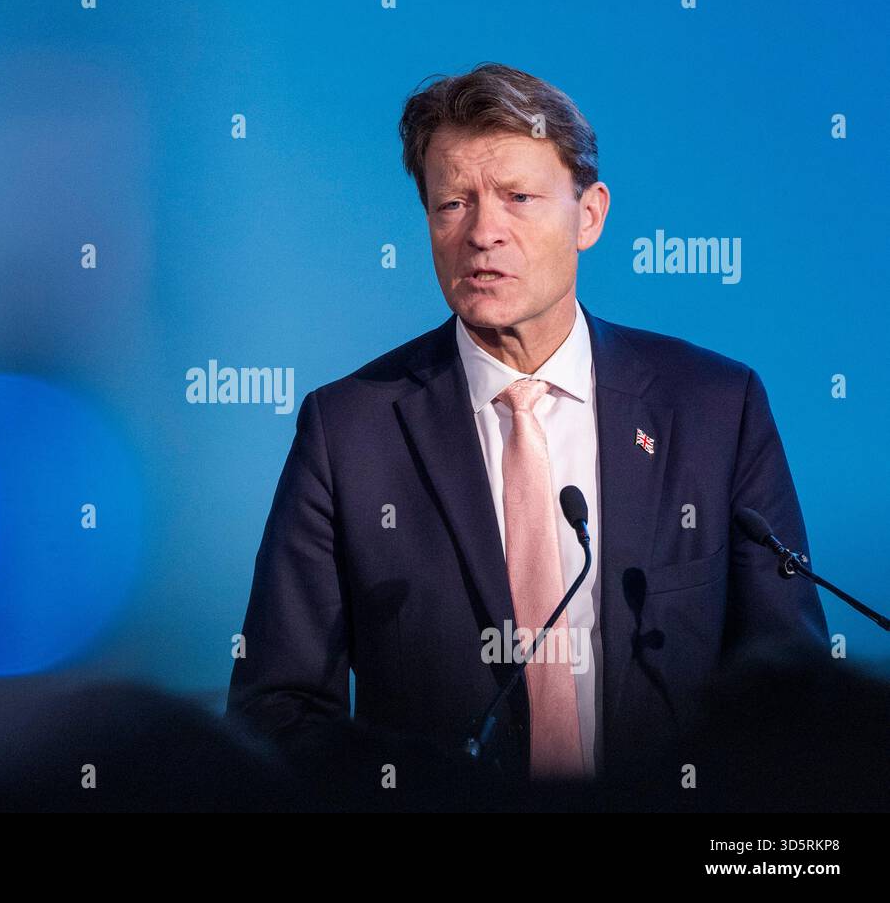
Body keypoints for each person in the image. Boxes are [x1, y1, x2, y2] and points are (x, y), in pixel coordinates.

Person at [226, 62, 828, 784]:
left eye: (517, 197)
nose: (484, 232)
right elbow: (279, 712)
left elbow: (792, 696)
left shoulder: (714, 409)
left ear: (590, 215)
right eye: (453, 203)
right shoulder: (348, 431)